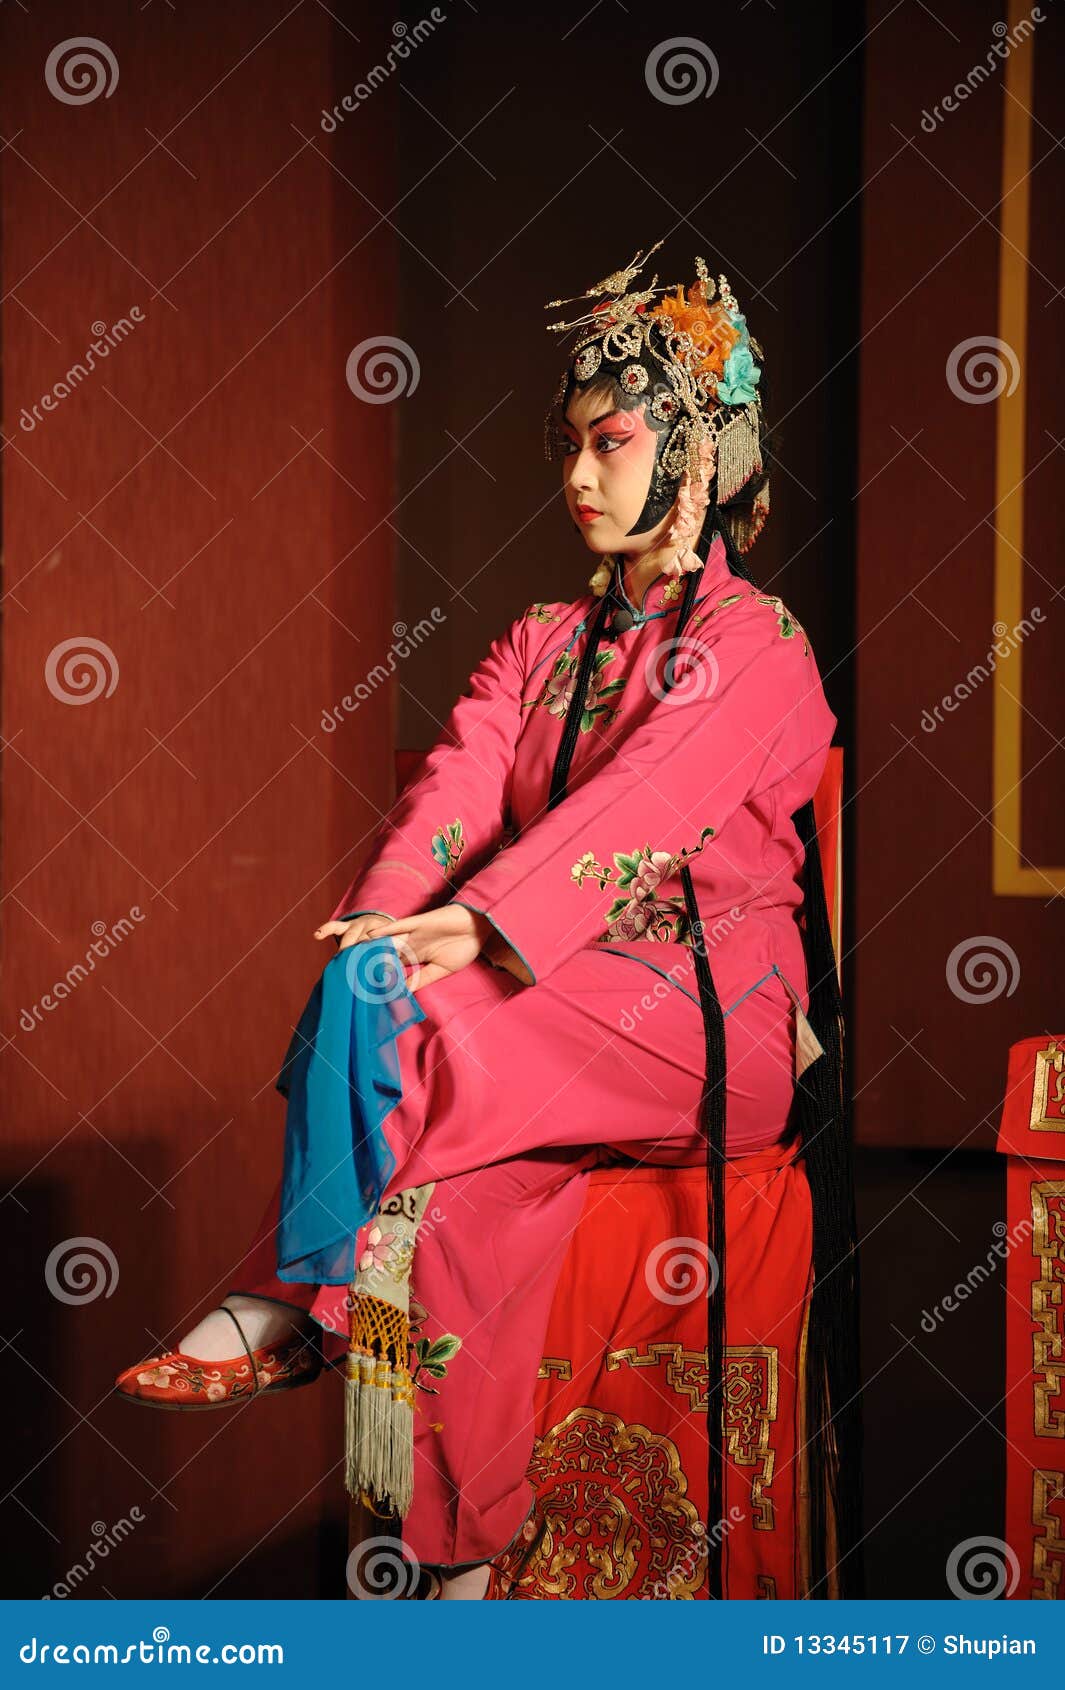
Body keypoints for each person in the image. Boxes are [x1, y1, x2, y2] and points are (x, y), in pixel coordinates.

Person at [115, 240, 862, 1600]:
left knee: (413, 1010)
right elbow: (452, 790)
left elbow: (654, 790)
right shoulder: (536, 644)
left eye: (612, 440)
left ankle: (295, 1298)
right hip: (539, 1015)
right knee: (427, 1163)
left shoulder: (759, 642)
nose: (578, 474)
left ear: (696, 454)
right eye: (567, 444)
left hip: (705, 1021)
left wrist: (475, 930)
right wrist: (390, 918)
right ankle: (458, 1559)